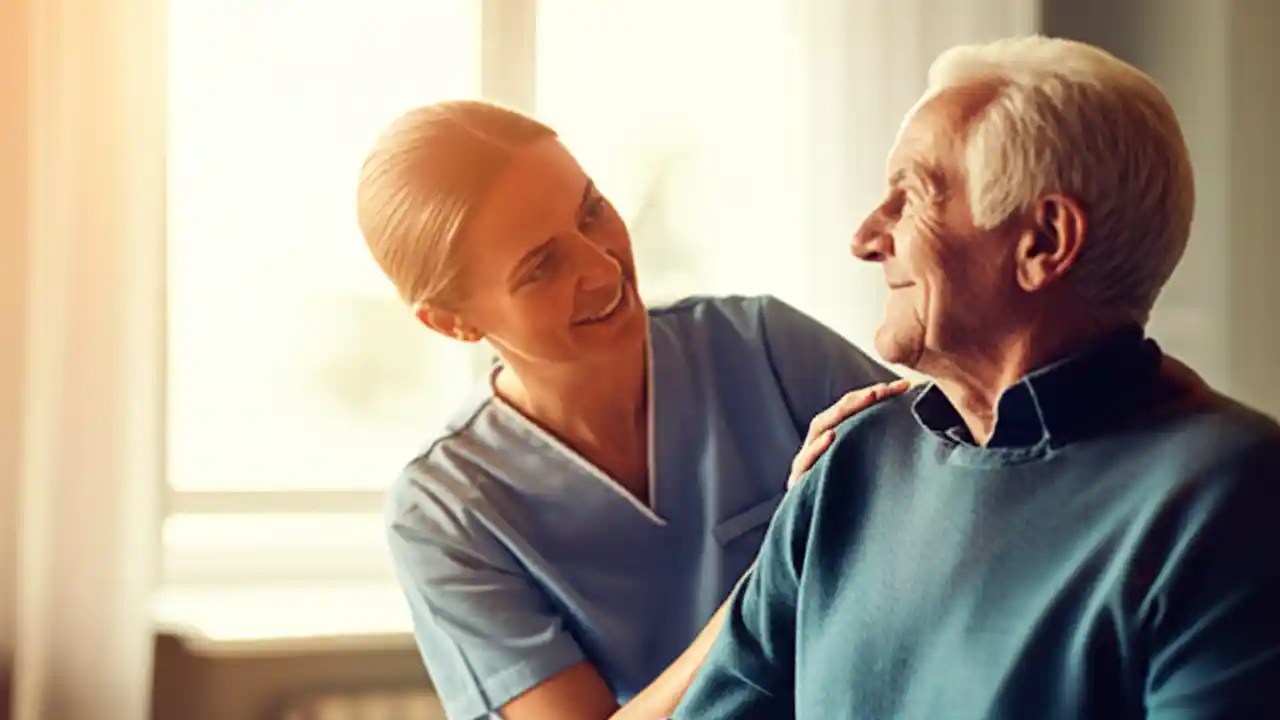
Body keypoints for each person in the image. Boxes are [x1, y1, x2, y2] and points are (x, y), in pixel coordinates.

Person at [676, 35, 1280, 719]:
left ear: (1044, 242)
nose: (867, 237)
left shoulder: (1235, 498)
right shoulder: (849, 462)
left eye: (912, 197)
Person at [354, 100, 902, 720]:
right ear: (452, 322)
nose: (603, 266)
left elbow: (952, 487)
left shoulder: (765, 347)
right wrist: (783, 562)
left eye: (591, 212)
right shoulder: (448, 512)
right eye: (541, 267)